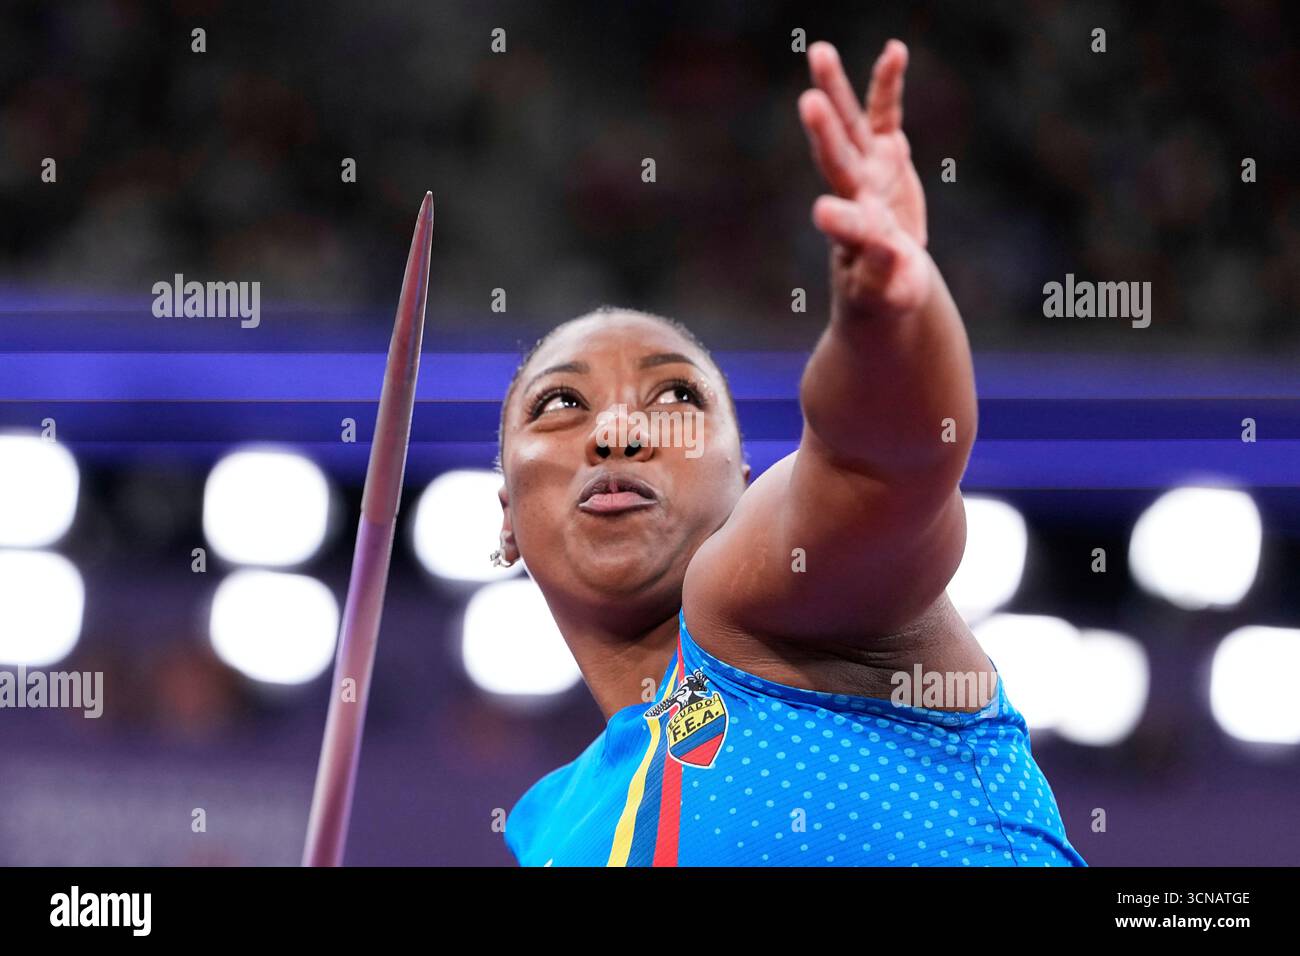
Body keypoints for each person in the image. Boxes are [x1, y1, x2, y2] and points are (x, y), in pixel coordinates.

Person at [494, 38, 1085, 866]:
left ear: (744, 487)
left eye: (676, 397)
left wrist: (887, 316)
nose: (620, 431)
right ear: (506, 519)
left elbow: (880, 466)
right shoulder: (545, 826)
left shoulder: (756, 611)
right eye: (562, 404)